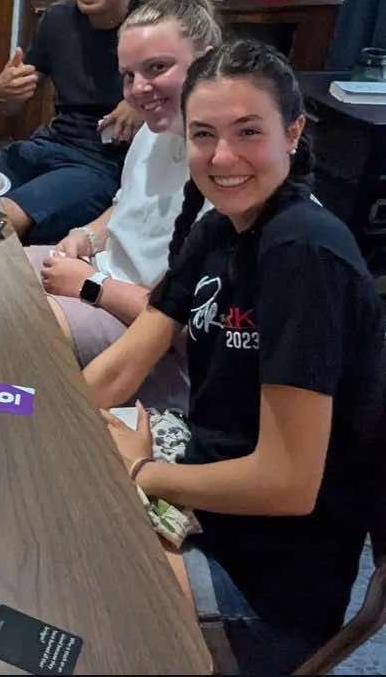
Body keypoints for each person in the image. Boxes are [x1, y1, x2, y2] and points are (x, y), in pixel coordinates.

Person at [86, 40, 384, 673]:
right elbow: (121, 366)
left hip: (262, 587)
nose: (222, 158)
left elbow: (288, 482)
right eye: (203, 135)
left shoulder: (305, 253)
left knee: (67, 587)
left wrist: (141, 475)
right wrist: (50, 425)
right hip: (206, 506)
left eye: (248, 132)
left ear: (294, 132)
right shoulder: (219, 227)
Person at [26, 0, 220, 410]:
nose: (139, 89)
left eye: (157, 68)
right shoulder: (153, 129)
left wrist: (91, 285)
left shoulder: (222, 168)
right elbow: (128, 204)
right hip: (104, 274)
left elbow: (187, 322)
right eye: (129, 76)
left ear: (208, 59)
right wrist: (85, 237)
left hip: (147, 330)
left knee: (23, 327)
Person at [0, 0, 144, 244]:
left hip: (101, 165)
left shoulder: (154, 26)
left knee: (2, 219)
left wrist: (139, 101)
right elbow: (12, 104)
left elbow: (194, 89)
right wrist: (2, 91)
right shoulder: (57, 19)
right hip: (49, 144)